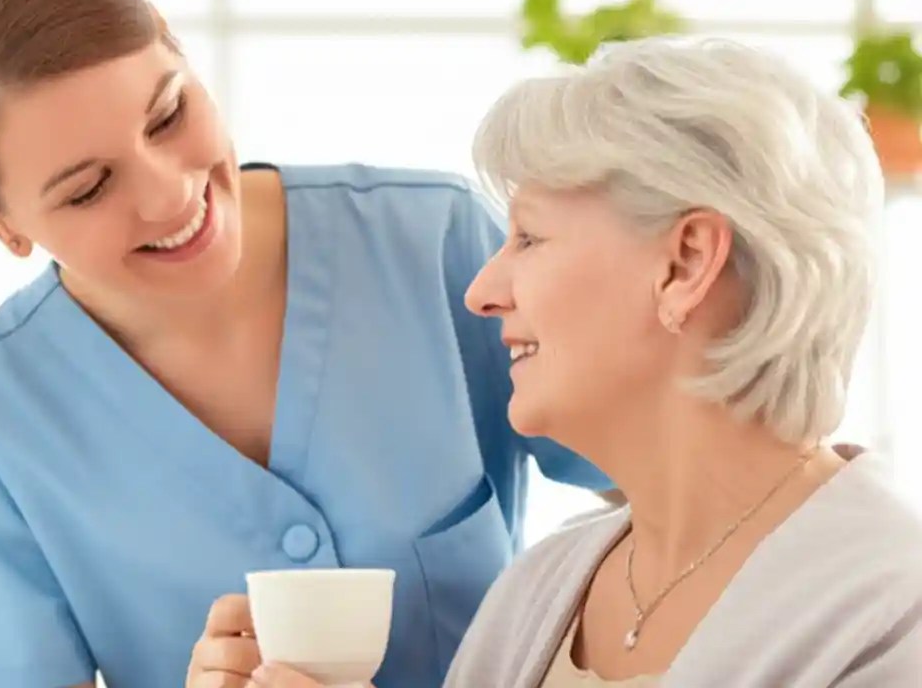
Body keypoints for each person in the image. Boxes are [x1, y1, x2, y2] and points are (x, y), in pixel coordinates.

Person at [0, 0, 610, 686]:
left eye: (167, 116)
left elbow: (689, 509)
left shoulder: (437, 246)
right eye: (89, 189)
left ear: (174, 43)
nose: (170, 195)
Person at [232, 38, 922, 688]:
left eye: (529, 238)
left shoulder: (892, 606)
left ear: (684, 263)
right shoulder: (538, 590)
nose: (480, 292)